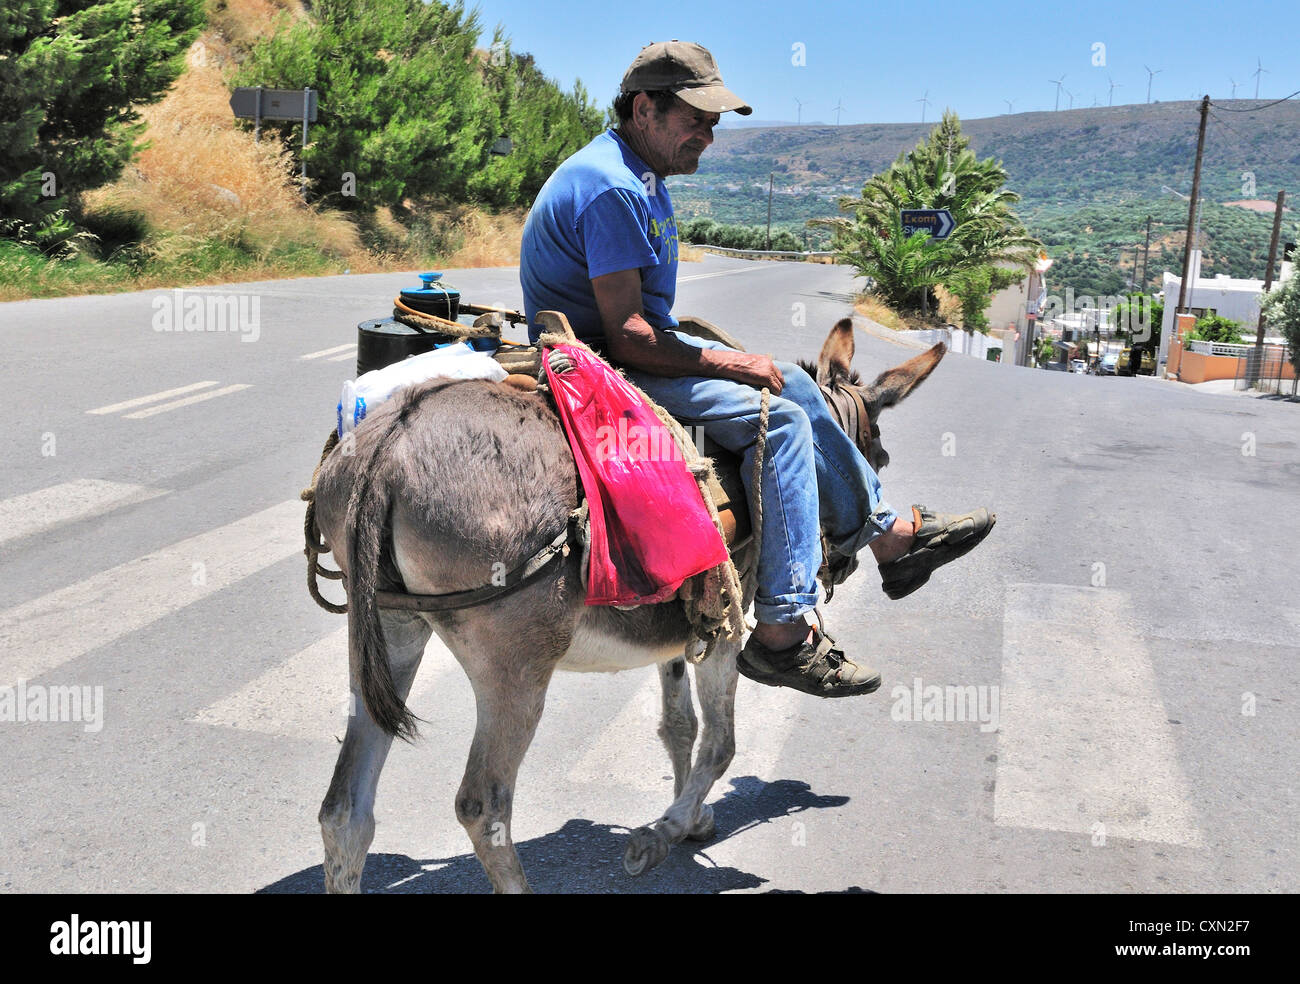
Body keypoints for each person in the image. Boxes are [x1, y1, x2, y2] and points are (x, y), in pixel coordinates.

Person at [520, 41, 995, 698]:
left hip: (616, 349)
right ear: (644, 108)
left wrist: (739, 361)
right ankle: (782, 635)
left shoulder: (641, 177)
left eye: (715, 122)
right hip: (596, 367)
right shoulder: (614, 188)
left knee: (797, 382)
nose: (710, 136)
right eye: (698, 119)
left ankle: (890, 537)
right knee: (785, 422)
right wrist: (731, 360)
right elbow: (629, 338)